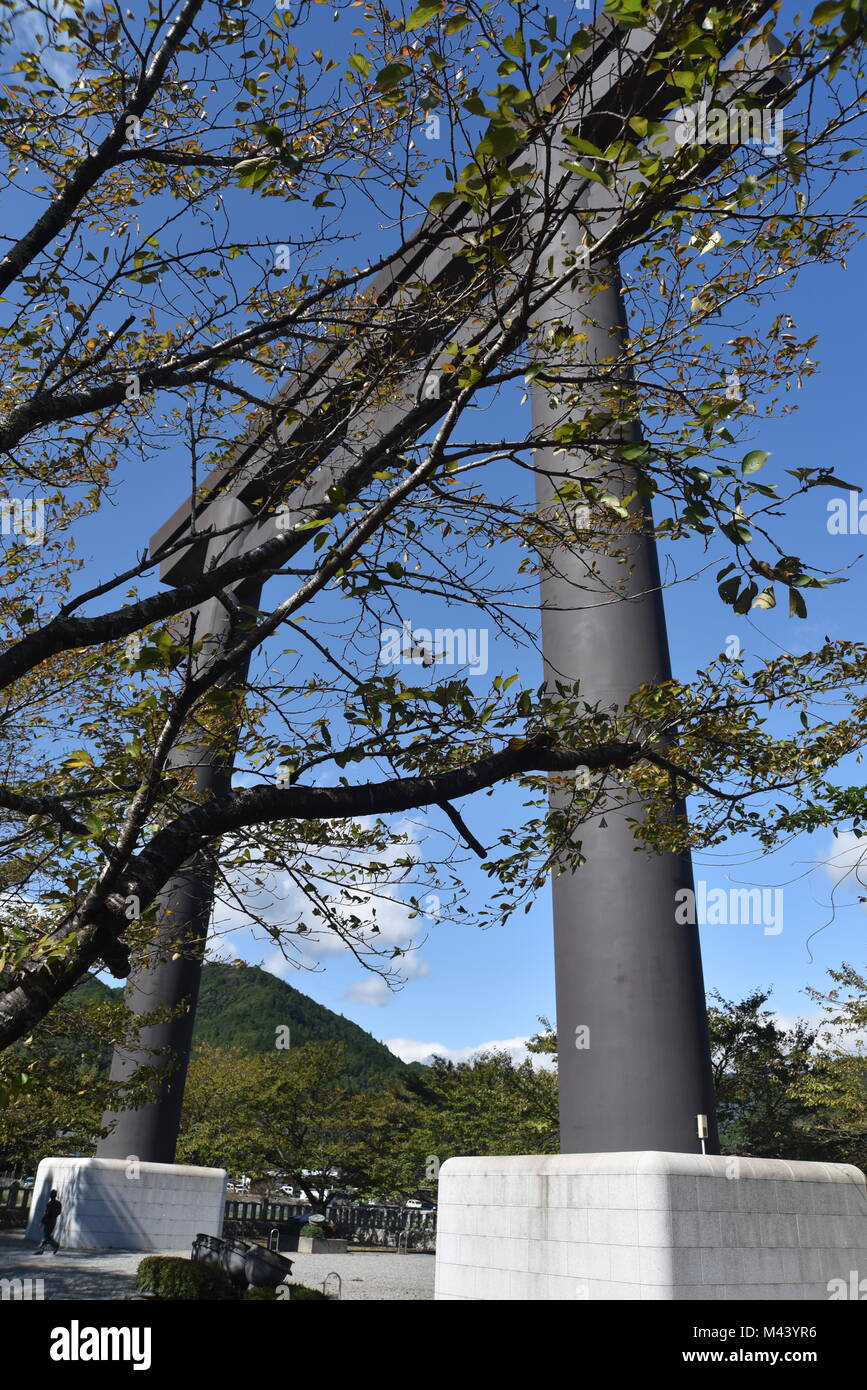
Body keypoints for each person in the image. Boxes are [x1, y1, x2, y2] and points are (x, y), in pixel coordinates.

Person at [34, 1189, 62, 1254]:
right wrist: (54, 1216)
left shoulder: (50, 1204)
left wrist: (42, 1221)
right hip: (53, 1220)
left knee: (46, 1235)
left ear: (51, 1196)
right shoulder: (58, 1203)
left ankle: (54, 1245)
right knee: (46, 1235)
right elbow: (59, 1212)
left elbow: (47, 1213)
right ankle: (42, 1249)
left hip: (48, 1221)